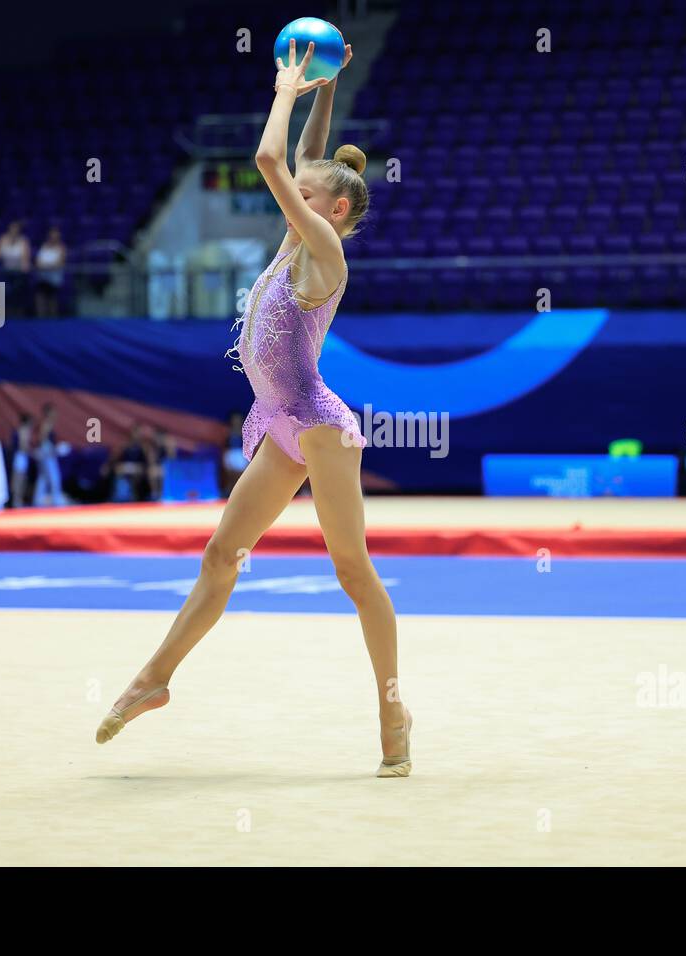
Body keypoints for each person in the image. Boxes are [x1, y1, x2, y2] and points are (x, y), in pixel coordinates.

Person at [94, 41, 411, 777]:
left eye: (307, 190)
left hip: (320, 428)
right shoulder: (301, 228)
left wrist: (284, 88)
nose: (290, 194)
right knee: (221, 555)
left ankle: (393, 713)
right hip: (280, 422)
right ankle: (156, 677)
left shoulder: (324, 247)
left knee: (354, 573)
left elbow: (272, 161)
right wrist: (324, 88)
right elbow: (302, 153)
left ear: (330, 207)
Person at [0, 221, 31, 314]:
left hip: (19, 274)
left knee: (17, 294)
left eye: (16, 229)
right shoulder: (2, 240)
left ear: (19, 230)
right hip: (6, 273)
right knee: (5, 293)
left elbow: (25, 259)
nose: (14, 231)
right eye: (12, 229)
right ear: (9, 229)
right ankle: (6, 315)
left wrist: (25, 267)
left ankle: (18, 315)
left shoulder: (23, 241)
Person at [32, 402, 66, 506]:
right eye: (53, 412)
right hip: (47, 455)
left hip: (47, 453)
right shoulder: (46, 424)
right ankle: (56, 500)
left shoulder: (48, 424)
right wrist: (52, 450)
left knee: (42, 478)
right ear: (48, 413)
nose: (56, 415)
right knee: (54, 478)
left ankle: (37, 501)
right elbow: (42, 440)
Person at [33, 227, 67, 317]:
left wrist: (46, 266)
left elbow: (59, 264)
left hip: (54, 280)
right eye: (52, 237)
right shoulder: (44, 246)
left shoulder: (61, 248)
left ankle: (53, 319)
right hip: (42, 278)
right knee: (40, 298)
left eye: (55, 237)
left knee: (52, 301)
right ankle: (41, 318)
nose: (53, 239)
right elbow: (37, 263)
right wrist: (48, 266)